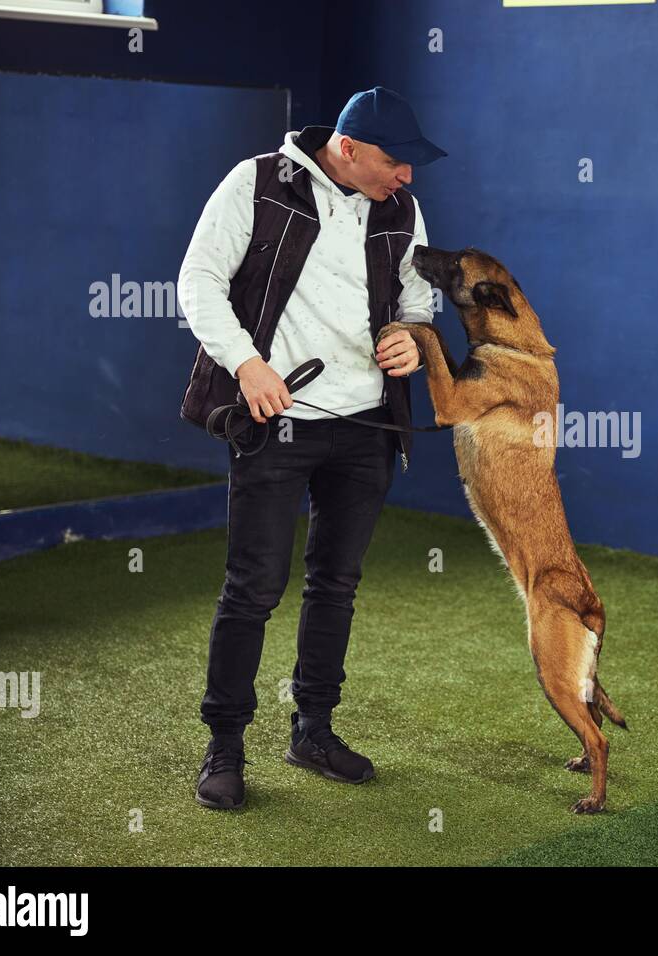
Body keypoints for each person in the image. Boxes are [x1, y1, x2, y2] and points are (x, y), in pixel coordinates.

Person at [177, 87, 447, 810]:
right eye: (396, 162)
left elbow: (419, 300)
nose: (408, 178)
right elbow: (198, 281)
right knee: (254, 588)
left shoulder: (402, 209)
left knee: (337, 583)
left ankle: (313, 731)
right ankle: (225, 745)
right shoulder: (257, 182)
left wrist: (411, 339)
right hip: (277, 420)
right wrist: (245, 362)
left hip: (366, 428)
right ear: (348, 149)